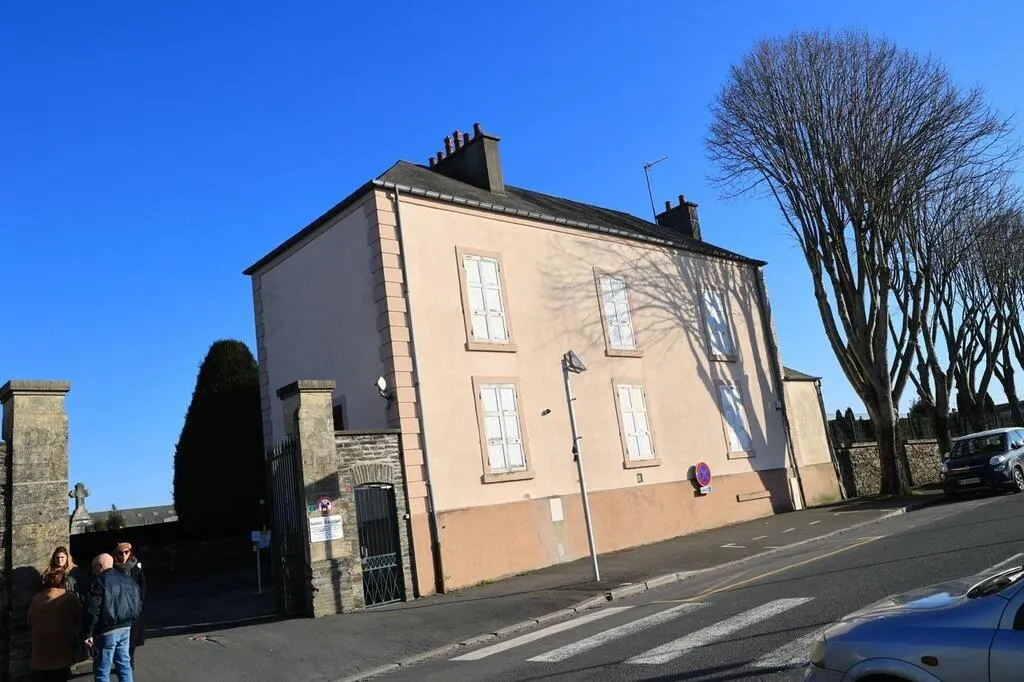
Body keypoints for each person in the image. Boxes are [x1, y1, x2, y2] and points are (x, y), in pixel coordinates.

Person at [82, 553, 140, 682]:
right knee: (124, 664)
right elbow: (137, 601)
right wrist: (131, 619)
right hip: (125, 627)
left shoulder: (99, 582)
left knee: (102, 669)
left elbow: (93, 609)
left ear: (100, 566)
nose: (93, 571)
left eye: (94, 567)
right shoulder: (126, 579)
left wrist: (88, 633)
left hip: (106, 630)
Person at [28, 570, 83, 682]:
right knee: (61, 676)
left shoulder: (36, 598)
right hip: (62, 646)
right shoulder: (69, 597)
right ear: (63, 582)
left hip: (41, 648)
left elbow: (30, 621)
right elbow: (80, 617)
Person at [113, 542, 146, 667]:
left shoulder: (136, 568)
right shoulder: (114, 569)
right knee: (120, 639)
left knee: (132, 639)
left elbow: (143, 585)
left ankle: (129, 663)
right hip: (120, 609)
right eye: (120, 553)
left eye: (126, 552)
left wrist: (141, 601)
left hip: (135, 608)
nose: (123, 555)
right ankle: (121, 663)